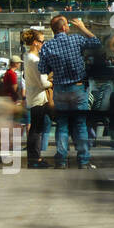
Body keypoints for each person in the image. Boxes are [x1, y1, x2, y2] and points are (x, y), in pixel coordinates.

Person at [38, 16, 101, 169]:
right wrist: (82, 27)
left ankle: (61, 160)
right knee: (80, 125)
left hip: (60, 89)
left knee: (62, 125)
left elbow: (43, 69)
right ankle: (83, 160)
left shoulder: (47, 46)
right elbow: (96, 43)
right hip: (78, 88)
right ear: (65, 28)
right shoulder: (76, 40)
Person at [20, 30, 52, 168]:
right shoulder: (35, 60)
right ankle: (35, 159)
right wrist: (52, 81)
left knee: (35, 128)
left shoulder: (27, 57)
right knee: (37, 129)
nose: (43, 44)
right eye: (42, 41)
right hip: (39, 97)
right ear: (35, 42)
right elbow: (43, 83)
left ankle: (34, 158)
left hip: (33, 96)